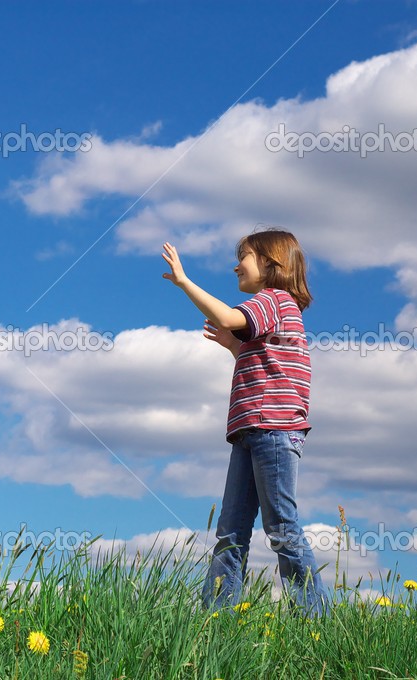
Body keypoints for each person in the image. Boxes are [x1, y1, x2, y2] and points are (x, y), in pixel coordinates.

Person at [161, 228, 330, 616]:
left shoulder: (274, 299)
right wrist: (235, 346)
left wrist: (184, 282)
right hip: (252, 431)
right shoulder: (275, 309)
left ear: (271, 264)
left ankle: (315, 616)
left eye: (244, 258)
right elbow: (264, 361)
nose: (236, 265)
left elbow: (227, 316)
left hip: (273, 430)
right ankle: (218, 617)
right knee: (231, 528)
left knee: (281, 526)